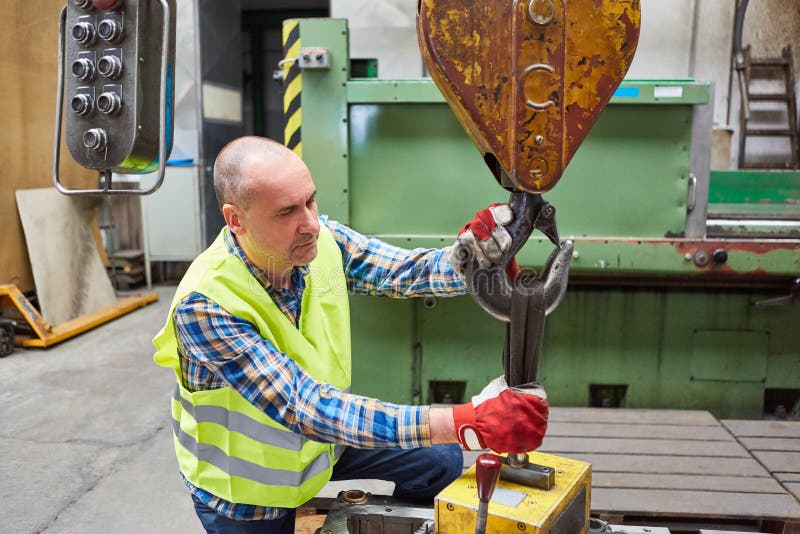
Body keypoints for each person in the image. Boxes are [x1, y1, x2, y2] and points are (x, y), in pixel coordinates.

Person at [153, 136, 548, 533]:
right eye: (287, 211)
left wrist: (470, 261)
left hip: (324, 448)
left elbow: (401, 272)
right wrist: (466, 420)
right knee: (446, 433)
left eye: (310, 200)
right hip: (250, 491)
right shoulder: (206, 304)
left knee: (439, 458)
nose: (310, 223)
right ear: (235, 219)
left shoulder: (319, 243)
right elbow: (304, 408)